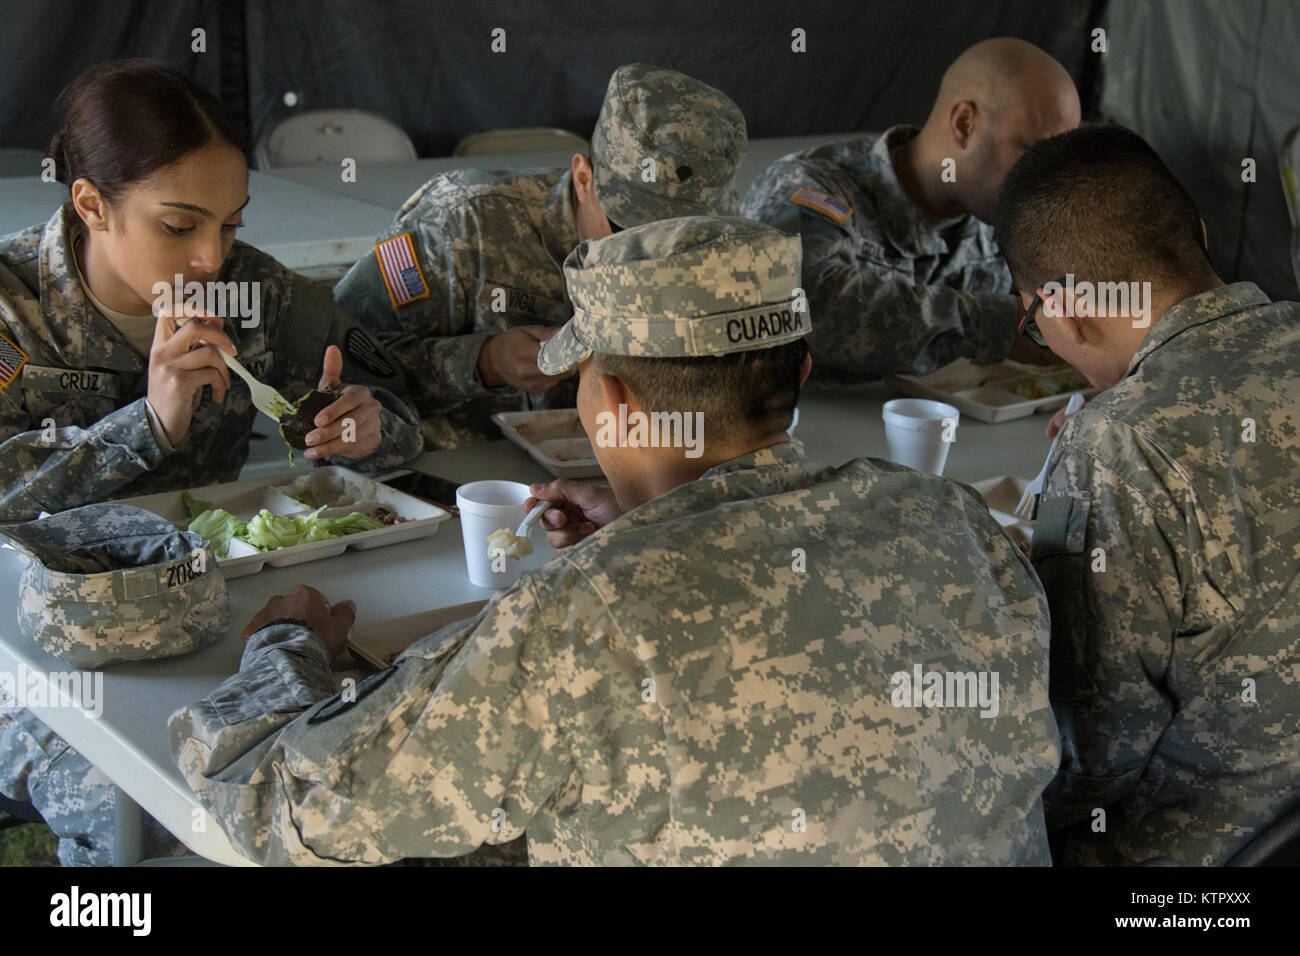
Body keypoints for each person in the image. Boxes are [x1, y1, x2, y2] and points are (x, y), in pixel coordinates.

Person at [171, 216, 1059, 866]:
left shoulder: (589, 611)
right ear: (799, 373)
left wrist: (286, 649)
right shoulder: (954, 519)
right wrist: (652, 531)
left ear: (618, 406)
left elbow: (282, 808)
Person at [0, 58, 423, 865]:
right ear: (91, 203)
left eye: (230, 224)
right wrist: (146, 426)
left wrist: (366, 433)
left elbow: (396, 408)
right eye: (178, 225)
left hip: (222, 618)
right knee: (150, 816)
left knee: (327, 772)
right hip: (33, 646)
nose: (211, 258)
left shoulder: (257, 294)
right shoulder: (10, 311)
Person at [994, 124, 1300, 866]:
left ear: (1063, 311)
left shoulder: (1115, 445)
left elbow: (1086, 759)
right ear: (1195, 232)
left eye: (1035, 324)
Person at [333, 63, 747, 449]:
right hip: (460, 487)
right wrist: (483, 362)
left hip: (631, 481)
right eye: (629, 230)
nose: (652, 256)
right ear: (584, 179)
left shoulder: (725, 246)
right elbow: (336, 361)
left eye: (683, 239)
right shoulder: (463, 223)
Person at [741, 37, 1080, 381]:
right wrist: (996, 325)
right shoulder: (812, 187)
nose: (1050, 180)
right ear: (965, 124)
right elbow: (796, 307)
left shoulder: (1008, 214)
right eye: (1034, 152)